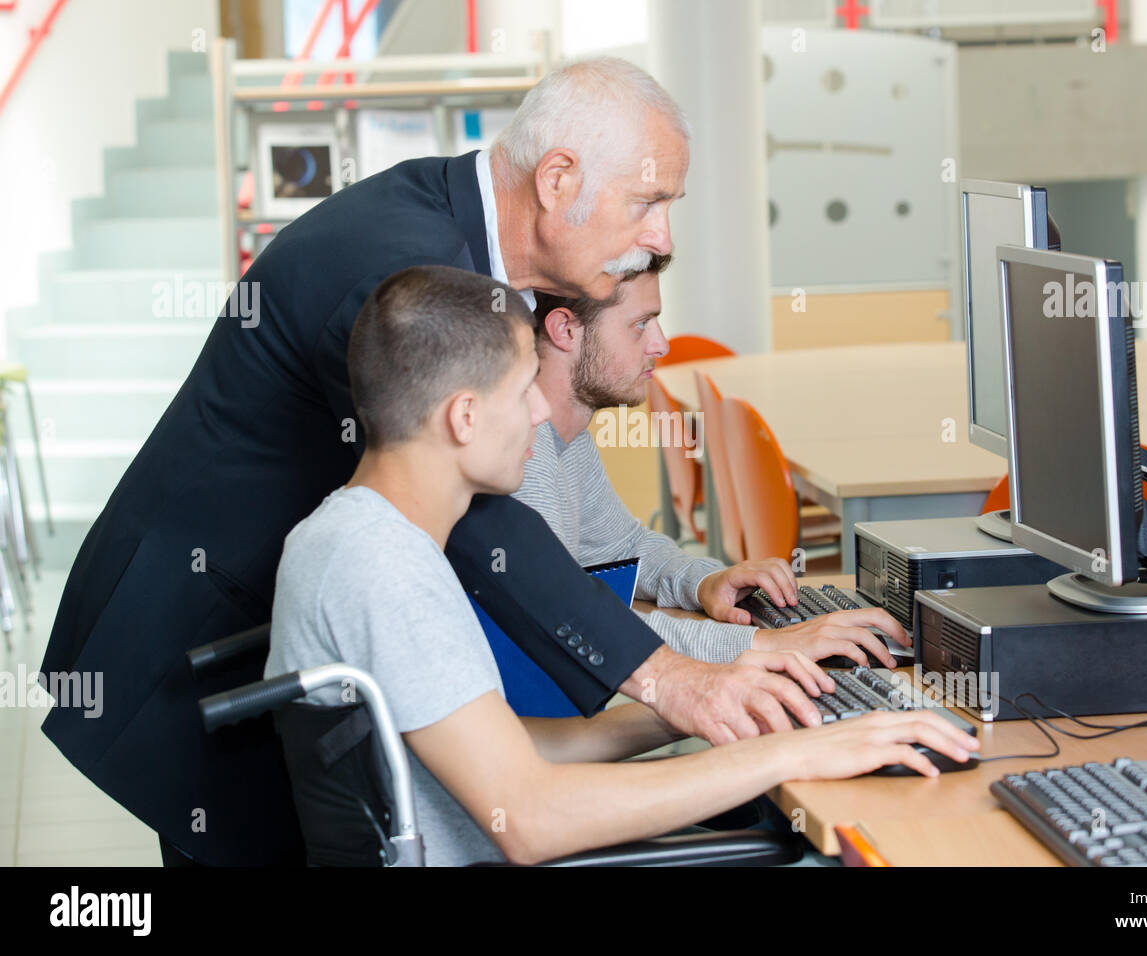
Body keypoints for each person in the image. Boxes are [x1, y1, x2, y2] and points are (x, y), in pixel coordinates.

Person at [40, 57, 823, 867]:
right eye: (650, 202)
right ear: (557, 180)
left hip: (289, 629)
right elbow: (482, 522)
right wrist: (671, 677)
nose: (660, 237)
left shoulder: (462, 250)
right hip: (193, 619)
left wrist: (699, 681)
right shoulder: (400, 265)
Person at [265, 265, 979, 865]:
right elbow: (530, 815)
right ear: (463, 418)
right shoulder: (383, 566)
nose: (542, 416)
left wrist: (718, 703)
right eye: (523, 393)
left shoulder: (359, 539)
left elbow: (504, 750)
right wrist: (789, 757)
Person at [521, 261, 911, 666]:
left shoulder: (568, 441)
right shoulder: (524, 456)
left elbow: (622, 549)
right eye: (640, 324)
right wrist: (761, 646)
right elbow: (571, 623)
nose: (661, 345)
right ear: (566, 330)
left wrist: (704, 581)